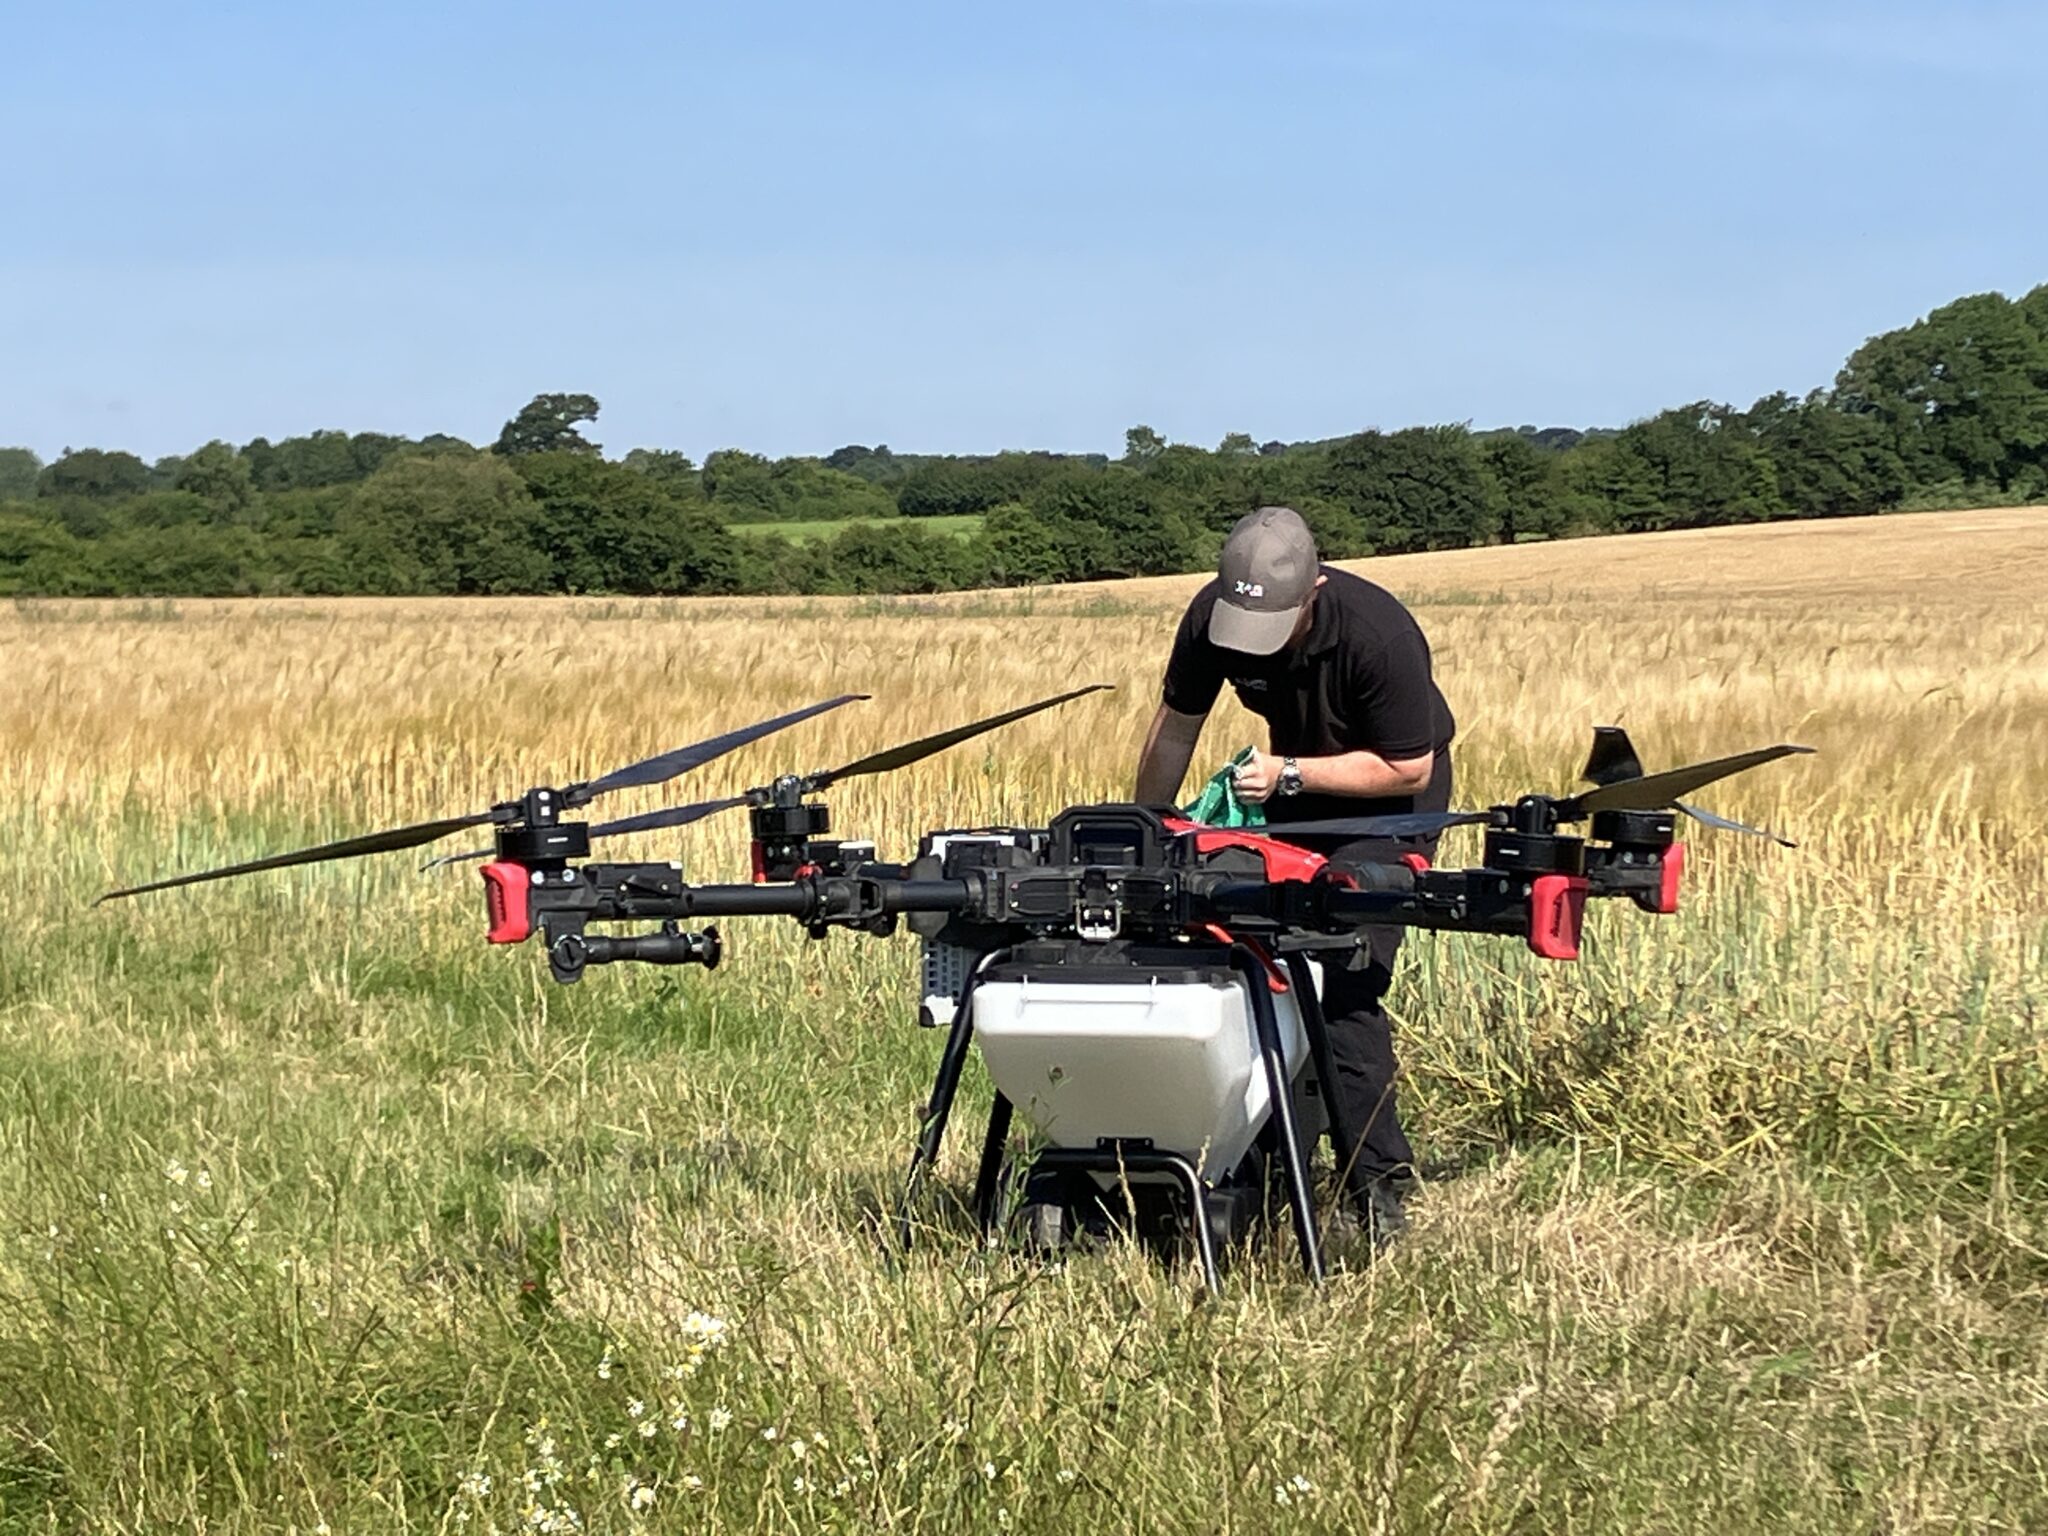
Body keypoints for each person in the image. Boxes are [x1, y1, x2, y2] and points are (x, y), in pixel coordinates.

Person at [1133, 505, 1456, 1240]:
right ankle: (1258, 1165)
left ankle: (1376, 1188)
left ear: (1313, 592)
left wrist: (1289, 774)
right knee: (1251, 958)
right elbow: (1176, 725)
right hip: (1290, 796)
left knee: (1343, 977)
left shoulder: (1380, 635)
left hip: (1386, 807)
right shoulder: (1212, 618)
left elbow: (1408, 765)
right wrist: (1146, 829)